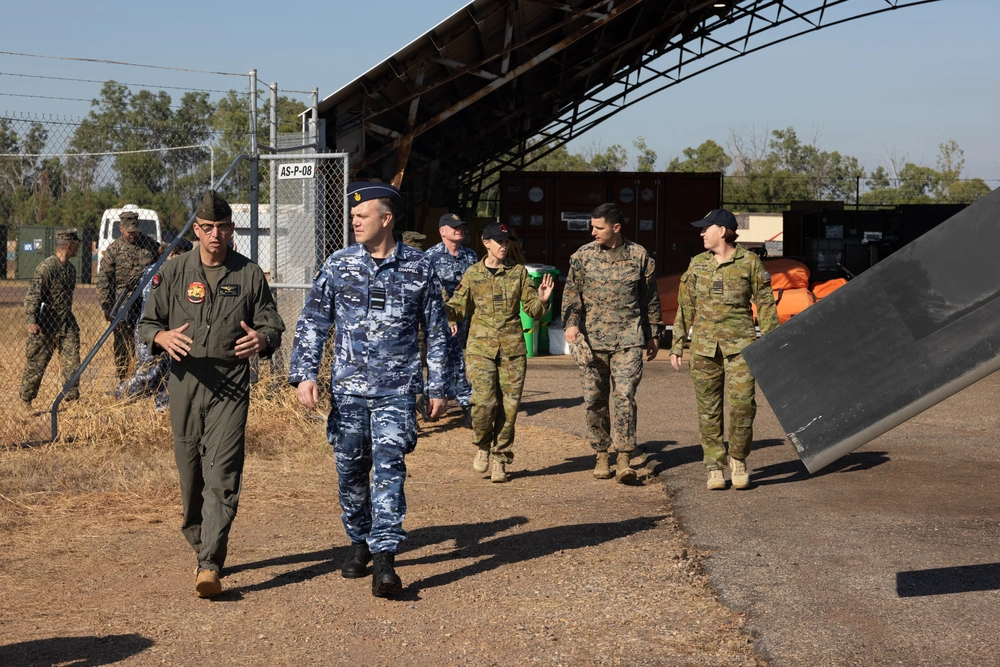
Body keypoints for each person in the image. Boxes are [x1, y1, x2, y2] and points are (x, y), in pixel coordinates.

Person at [288, 182, 449, 598]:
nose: (354, 221)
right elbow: (313, 322)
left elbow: (435, 329)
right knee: (351, 471)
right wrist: (305, 373)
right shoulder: (339, 264)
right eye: (353, 216)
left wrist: (441, 384)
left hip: (397, 390)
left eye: (362, 215)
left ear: (386, 218)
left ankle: (386, 558)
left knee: (390, 468)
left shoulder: (419, 267)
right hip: (348, 392)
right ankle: (358, 540)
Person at [138, 190, 285, 598]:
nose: (215, 235)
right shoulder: (174, 272)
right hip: (185, 385)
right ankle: (201, 539)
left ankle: (209, 563)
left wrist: (263, 339)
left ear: (231, 229)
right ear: (196, 230)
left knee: (222, 473)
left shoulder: (249, 274)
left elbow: (272, 324)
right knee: (191, 477)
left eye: (222, 227)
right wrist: (162, 337)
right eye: (207, 228)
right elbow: (148, 323)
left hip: (230, 386)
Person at [669, 208, 778, 491]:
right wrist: (677, 345)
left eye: (707, 228)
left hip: (741, 348)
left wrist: (771, 343)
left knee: (743, 407)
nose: (701, 233)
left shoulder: (750, 262)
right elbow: (685, 307)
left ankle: (738, 459)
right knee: (709, 411)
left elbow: (765, 304)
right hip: (704, 349)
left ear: (723, 230)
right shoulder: (697, 264)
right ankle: (715, 467)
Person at [562, 202, 663, 483]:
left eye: (598, 227)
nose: (592, 231)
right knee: (594, 400)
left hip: (628, 339)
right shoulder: (582, 257)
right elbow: (572, 295)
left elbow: (649, 299)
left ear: (616, 228)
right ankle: (601, 453)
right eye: (592, 226)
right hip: (592, 342)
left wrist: (654, 334)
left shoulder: (639, 256)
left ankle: (624, 458)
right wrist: (571, 324)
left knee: (624, 397)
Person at [446, 222, 553, 483]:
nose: (504, 246)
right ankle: (483, 445)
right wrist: (440, 305)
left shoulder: (518, 273)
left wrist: (543, 299)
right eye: (499, 242)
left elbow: (533, 311)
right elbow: (457, 308)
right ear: (485, 243)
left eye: (507, 242)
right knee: (484, 403)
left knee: (510, 407)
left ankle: (500, 459)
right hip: (481, 348)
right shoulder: (472, 274)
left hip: (512, 349)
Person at [115, 239, 192, 410]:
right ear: (171, 253)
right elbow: (151, 308)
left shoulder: (177, 271)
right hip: (150, 331)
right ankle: (121, 393)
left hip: (168, 332)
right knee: (149, 373)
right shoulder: (156, 272)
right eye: (181, 255)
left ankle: (163, 406)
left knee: (168, 372)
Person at [425, 213, 479, 425]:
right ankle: (464, 403)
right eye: (454, 227)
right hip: (440, 318)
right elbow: (434, 292)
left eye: (461, 227)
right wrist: (449, 318)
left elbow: (474, 287)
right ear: (442, 231)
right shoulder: (431, 257)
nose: (459, 230)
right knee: (448, 358)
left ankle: (431, 400)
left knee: (455, 356)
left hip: (464, 318)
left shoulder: (470, 256)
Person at [20, 230, 82, 409]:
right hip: (46, 322)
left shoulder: (71, 269)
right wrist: (31, 320)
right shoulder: (46, 268)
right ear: (69, 246)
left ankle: (72, 400)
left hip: (66, 322)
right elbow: (33, 296)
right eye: (76, 245)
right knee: (37, 364)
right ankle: (26, 401)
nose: (79, 248)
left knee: (72, 362)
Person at [97, 210, 160, 380]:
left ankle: (146, 377)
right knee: (122, 342)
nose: (132, 235)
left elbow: (163, 266)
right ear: (121, 228)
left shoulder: (150, 246)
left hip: (146, 302)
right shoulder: (114, 250)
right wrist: (106, 305)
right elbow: (104, 278)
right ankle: (124, 378)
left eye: (135, 231)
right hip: (122, 302)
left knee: (145, 338)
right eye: (129, 232)